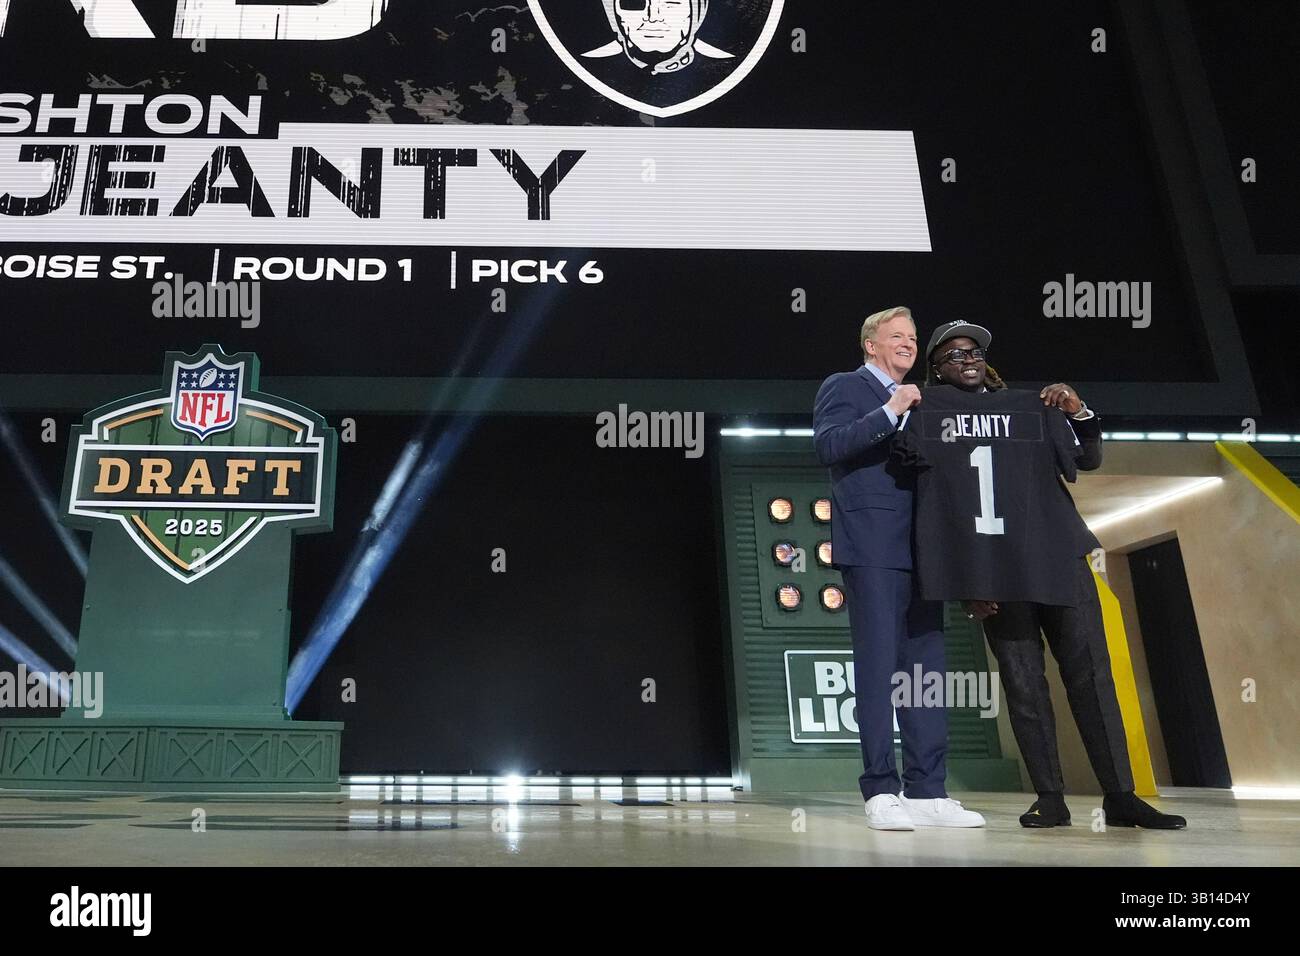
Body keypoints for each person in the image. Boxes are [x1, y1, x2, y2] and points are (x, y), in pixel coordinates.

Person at [911, 321, 1186, 830]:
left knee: (1092, 677)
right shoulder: (926, 414)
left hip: (1059, 559)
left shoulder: (1034, 406)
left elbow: (1088, 457)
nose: (966, 359)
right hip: (994, 574)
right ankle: (1050, 797)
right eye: (952, 356)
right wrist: (963, 585)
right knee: (1024, 686)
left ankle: (1121, 796)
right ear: (936, 371)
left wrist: (1078, 412)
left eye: (973, 351)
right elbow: (935, 508)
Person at [813, 307, 985, 830]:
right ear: (871, 344)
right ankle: (880, 790)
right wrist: (890, 410)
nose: (908, 344)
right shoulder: (845, 386)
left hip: (925, 550)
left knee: (924, 673)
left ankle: (928, 791)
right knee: (879, 668)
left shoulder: (928, 400)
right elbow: (828, 445)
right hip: (872, 548)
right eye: (897, 337)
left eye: (912, 337)